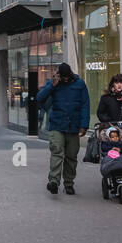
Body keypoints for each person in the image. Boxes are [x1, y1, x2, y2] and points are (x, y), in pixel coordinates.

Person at [36, 62, 91, 195]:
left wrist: (84, 126)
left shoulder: (80, 84)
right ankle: (54, 181)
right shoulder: (53, 83)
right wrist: (52, 86)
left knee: (71, 156)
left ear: (70, 74)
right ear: (59, 75)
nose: (65, 79)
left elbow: (85, 105)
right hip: (57, 125)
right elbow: (39, 98)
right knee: (57, 152)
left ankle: (69, 183)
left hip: (74, 125)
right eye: (63, 77)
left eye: (67, 77)